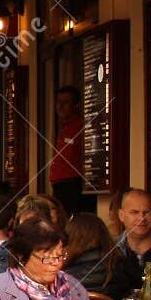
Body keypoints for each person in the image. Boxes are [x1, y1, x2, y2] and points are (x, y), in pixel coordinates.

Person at [62, 212, 137, 300]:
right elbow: (138, 291)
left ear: (70, 236)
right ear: (104, 234)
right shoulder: (120, 264)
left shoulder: (59, 271)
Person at [48, 86, 90, 214]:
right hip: (59, 185)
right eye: (58, 102)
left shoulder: (81, 126)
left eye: (65, 102)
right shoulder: (61, 126)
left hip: (73, 184)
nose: (60, 107)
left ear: (76, 105)